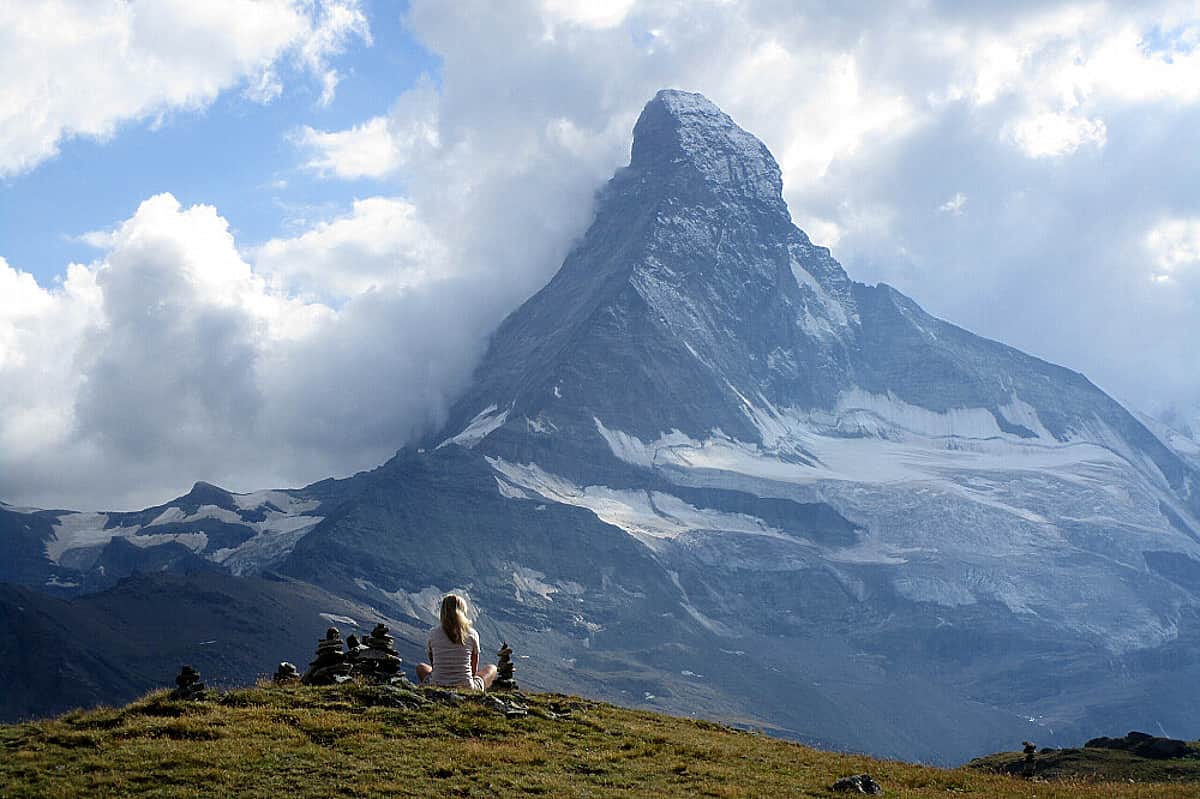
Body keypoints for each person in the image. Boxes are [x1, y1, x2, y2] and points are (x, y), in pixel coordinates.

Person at [416, 593, 497, 690]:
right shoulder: (472, 634)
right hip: (466, 686)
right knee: (492, 668)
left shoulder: (433, 633)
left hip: (437, 684)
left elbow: (434, 664)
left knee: (421, 667)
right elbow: (474, 669)